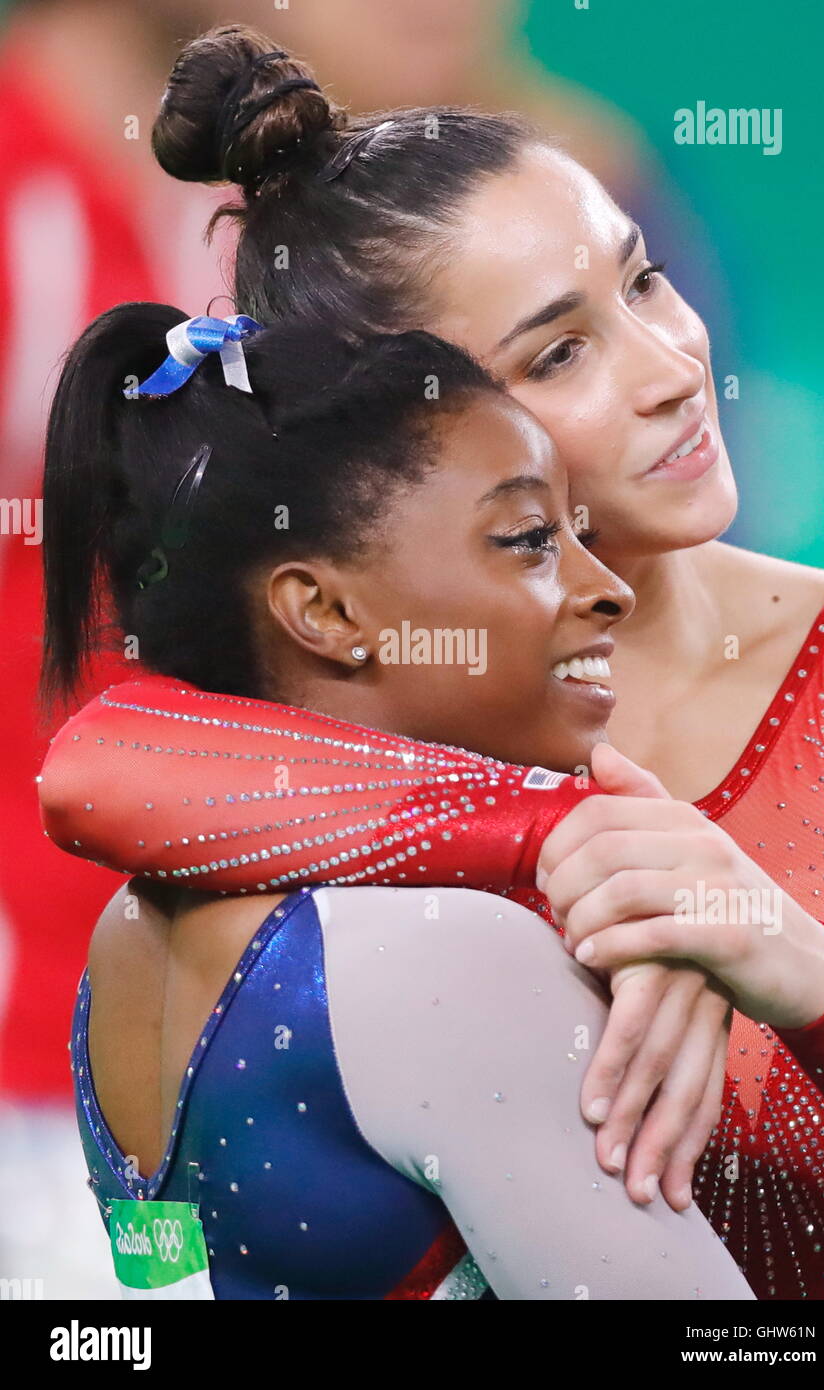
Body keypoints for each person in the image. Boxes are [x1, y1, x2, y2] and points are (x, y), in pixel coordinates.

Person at [40, 26, 824, 1299]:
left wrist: (812, 982)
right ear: (405, 445)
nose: (669, 369)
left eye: (642, 283)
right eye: (556, 354)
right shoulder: (373, 735)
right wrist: (563, 835)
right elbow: (97, 765)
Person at [42, 303, 752, 1300]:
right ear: (327, 612)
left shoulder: (128, 941)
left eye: (576, 532)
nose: (607, 591)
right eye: (529, 539)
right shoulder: (455, 960)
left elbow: (160, 1287)